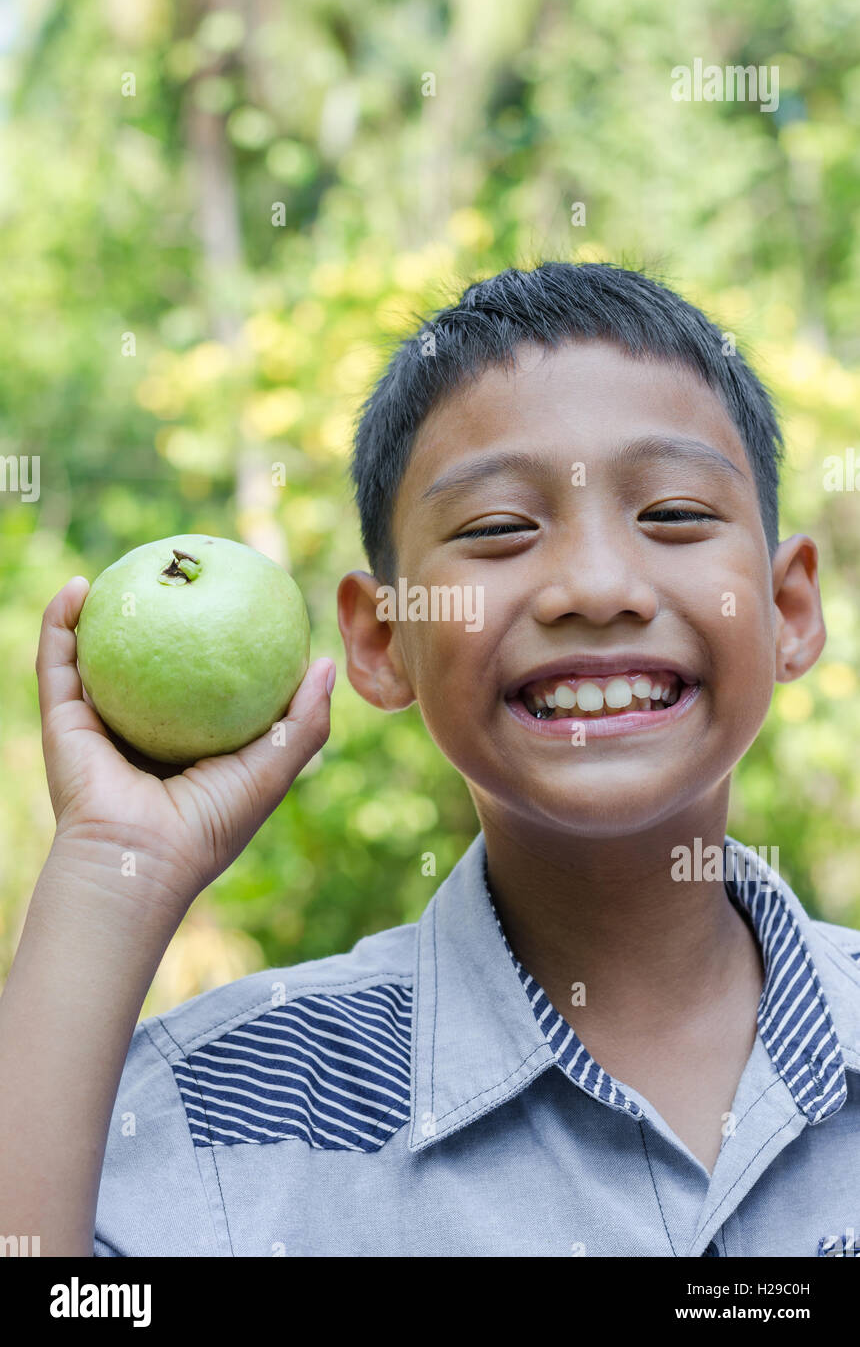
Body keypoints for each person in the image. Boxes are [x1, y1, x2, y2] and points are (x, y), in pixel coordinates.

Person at [2, 262, 859, 1258]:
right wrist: (114, 867)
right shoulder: (215, 1113)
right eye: (498, 528)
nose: (592, 585)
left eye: (671, 514)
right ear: (381, 641)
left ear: (787, 610)